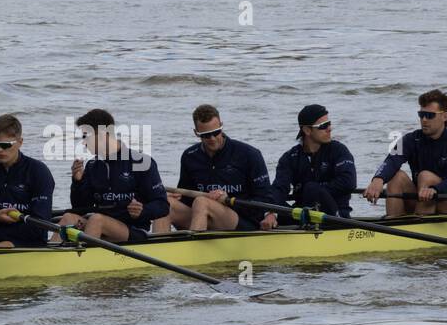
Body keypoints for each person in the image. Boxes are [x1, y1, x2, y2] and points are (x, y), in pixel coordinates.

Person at [57, 108, 168, 243]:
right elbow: (80, 207)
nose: (84, 143)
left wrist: (143, 211)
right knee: (69, 217)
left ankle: (83, 262)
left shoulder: (141, 162)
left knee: (97, 219)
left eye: (86, 136)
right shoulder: (93, 166)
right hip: (100, 225)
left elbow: (162, 205)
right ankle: (48, 259)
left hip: (133, 229)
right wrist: (77, 182)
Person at [164, 104, 278, 232]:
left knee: (202, 202)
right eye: (206, 135)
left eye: (216, 132)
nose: (212, 139)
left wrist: (227, 200)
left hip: (243, 220)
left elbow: (265, 197)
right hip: (203, 215)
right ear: (196, 133)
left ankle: (194, 247)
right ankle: (159, 248)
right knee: (164, 203)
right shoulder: (189, 156)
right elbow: (187, 197)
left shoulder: (249, 154)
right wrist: (177, 197)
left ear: (221, 126)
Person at [363, 89, 447, 217]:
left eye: (430, 115)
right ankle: (393, 224)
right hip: (422, 197)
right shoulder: (411, 139)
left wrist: (435, 190)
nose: (424, 120)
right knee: (396, 176)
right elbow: (392, 160)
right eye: (421, 115)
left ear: (445, 116)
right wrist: (378, 179)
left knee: (425, 176)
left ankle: (419, 224)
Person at [0, 114, 55, 248]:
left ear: (20, 142)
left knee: (1, 247)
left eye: (5, 145)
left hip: (28, 238)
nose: (0, 150)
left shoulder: (38, 172)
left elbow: (39, 227)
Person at [271, 104, 357, 219]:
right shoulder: (289, 158)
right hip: (304, 214)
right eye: (323, 125)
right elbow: (279, 188)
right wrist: (270, 212)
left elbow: (349, 182)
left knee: (312, 188)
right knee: (267, 199)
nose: (329, 128)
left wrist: (312, 190)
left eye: (329, 123)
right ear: (307, 130)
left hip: (336, 215)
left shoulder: (338, 150)